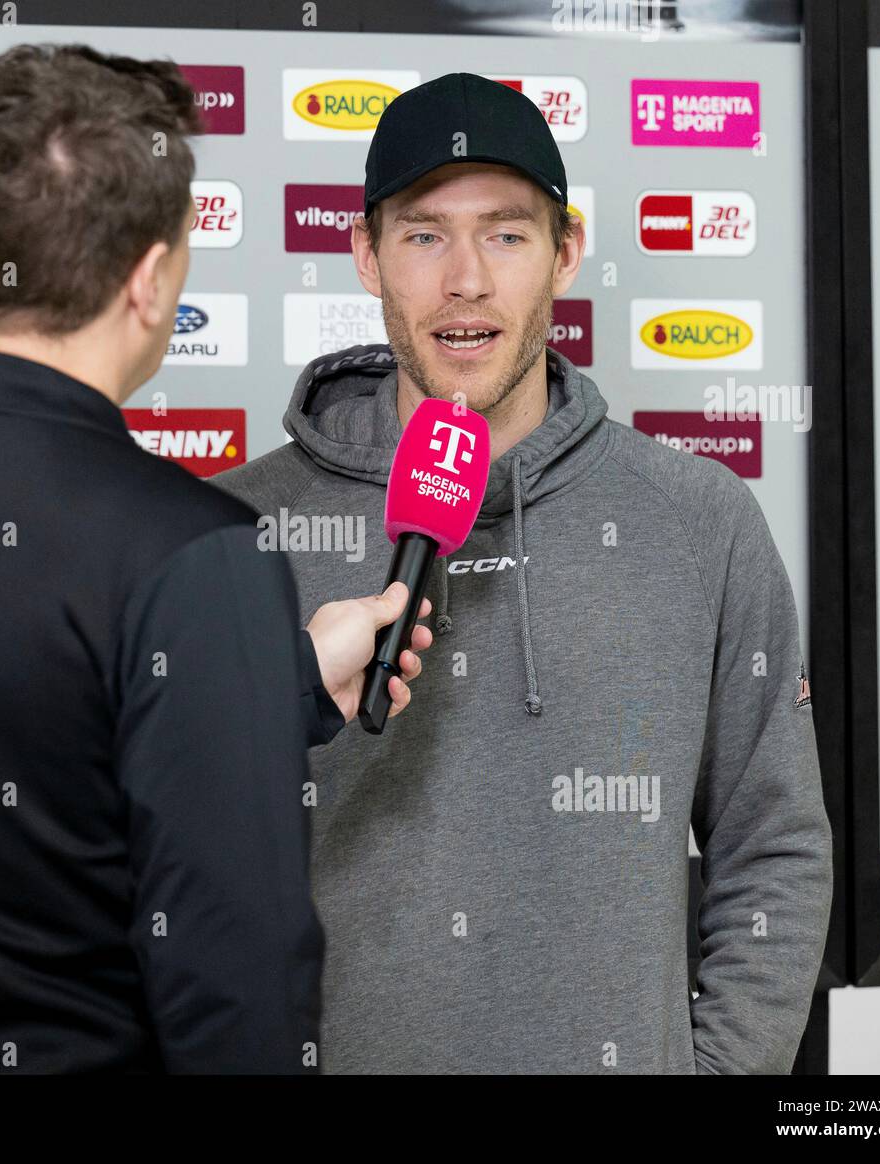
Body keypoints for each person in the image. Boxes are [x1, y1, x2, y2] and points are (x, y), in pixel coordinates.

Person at [0, 43, 430, 1075]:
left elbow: (5, 742)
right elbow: (239, 1009)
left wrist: (275, 685)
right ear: (150, 278)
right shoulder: (191, 553)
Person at [214, 72, 833, 1074]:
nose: (466, 279)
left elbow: (774, 848)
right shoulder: (232, 529)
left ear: (566, 252)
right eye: (423, 235)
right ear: (366, 256)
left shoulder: (699, 520)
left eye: (505, 233)